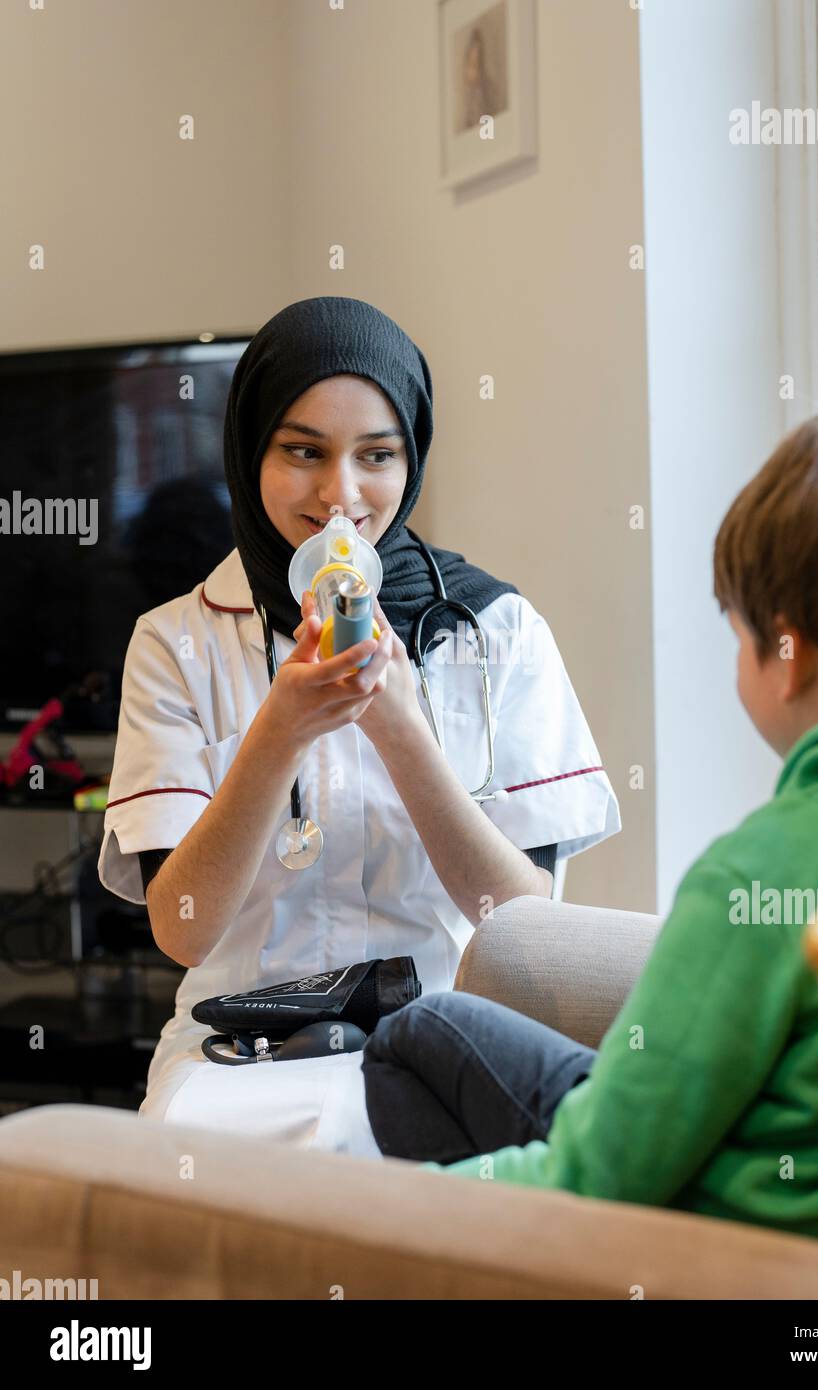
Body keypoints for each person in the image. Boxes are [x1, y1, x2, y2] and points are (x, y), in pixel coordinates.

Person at [361, 406, 818, 1239]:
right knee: (429, 1027)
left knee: (404, 1048)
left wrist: (375, 1216)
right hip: (746, 1155)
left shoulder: (761, 869)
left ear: (787, 657)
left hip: (703, 1229)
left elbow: (595, 1176)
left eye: (737, 632)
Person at [97, 296, 621, 1149]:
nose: (340, 496)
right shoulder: (175, 641)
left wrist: (400, 727)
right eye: (303, 451)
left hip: (442, 1043)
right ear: (247, 451)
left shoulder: (494, 629)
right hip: (237, 1057)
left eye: (376, 456)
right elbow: (184, 929)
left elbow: (521, 922)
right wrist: (280, 731)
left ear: (411, 460)